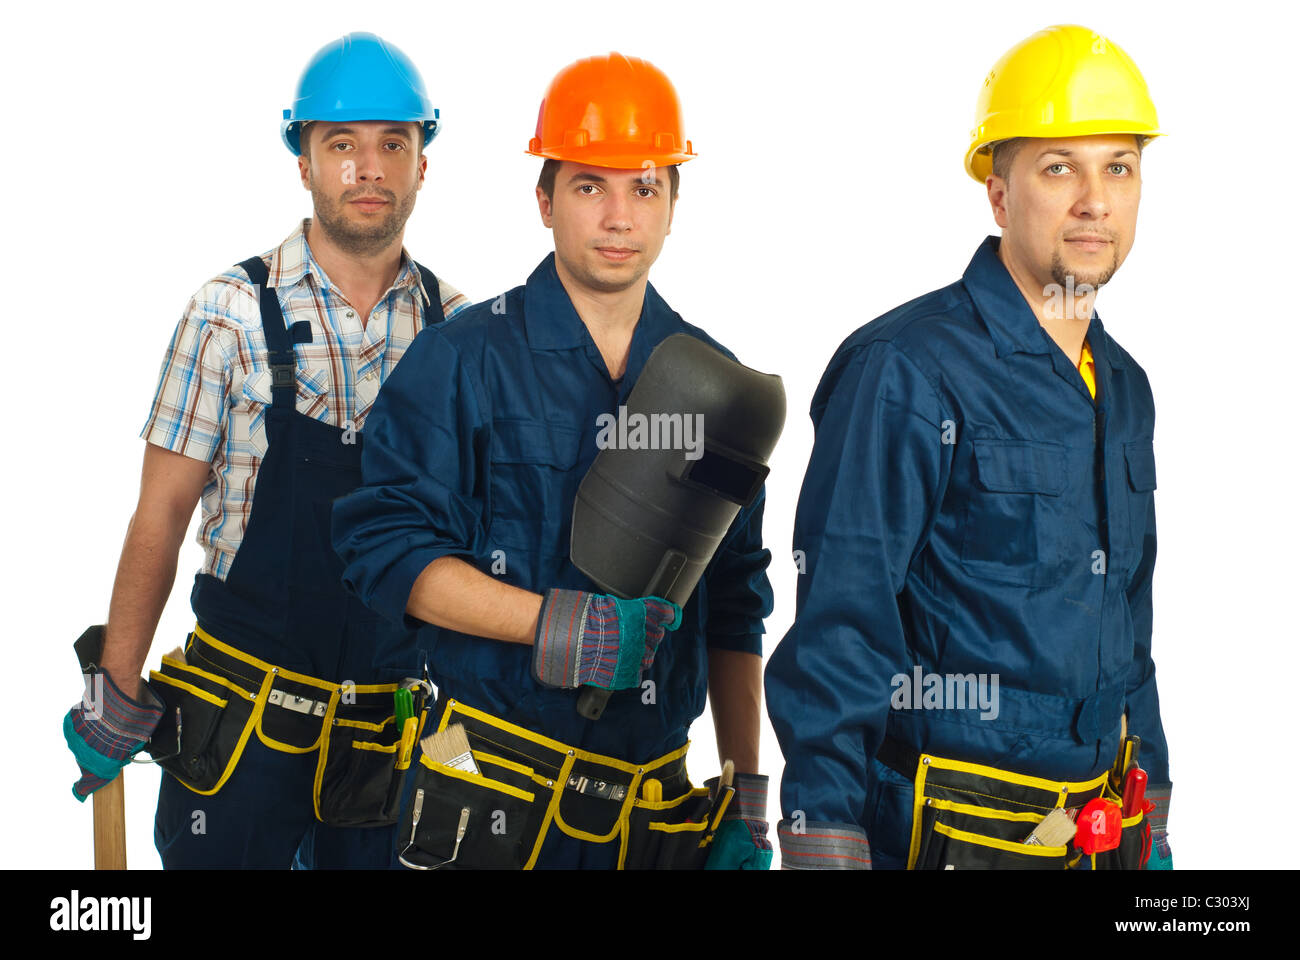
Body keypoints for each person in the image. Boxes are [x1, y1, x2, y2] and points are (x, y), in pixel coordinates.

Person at [332, 53, 774, 870]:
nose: (617, 217)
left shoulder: (719, 389)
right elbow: (386, 555)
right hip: (487, 798)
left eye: (644, 187)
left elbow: (737, 602)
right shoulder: (460, 361)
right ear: (543, 201)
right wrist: (556, 625)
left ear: (674, 206)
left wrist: (744, 797)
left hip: (654, 818)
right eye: (587, 186)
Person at [765, 24, 1172, 870]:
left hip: (1098, 839)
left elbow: (1129, 628)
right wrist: (824, 838)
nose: (1094, 199)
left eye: (1118, 168)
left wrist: (1154, 817)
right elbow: (842, 623)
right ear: (997, 191)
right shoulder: (907, 370)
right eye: (1059, 167)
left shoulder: (1123, 387)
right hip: (945, 838)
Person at [62, 31, 469, 868]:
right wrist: (119, 688)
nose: (369, 167)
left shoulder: (460, 333)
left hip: (390, 740)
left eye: (394, 143)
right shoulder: (226, 314)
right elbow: (162, 512)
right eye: (342, 145)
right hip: (239, 735)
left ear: (423, 162)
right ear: (304, 161)